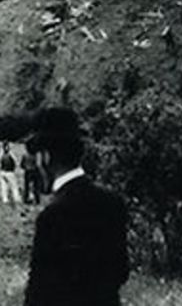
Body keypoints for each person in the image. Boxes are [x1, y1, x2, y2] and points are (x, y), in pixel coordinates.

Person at [23, 108, 130, 306]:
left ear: (45, 156)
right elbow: (121, 272)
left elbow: (39, 294)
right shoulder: (113, 203)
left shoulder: (52, 216)